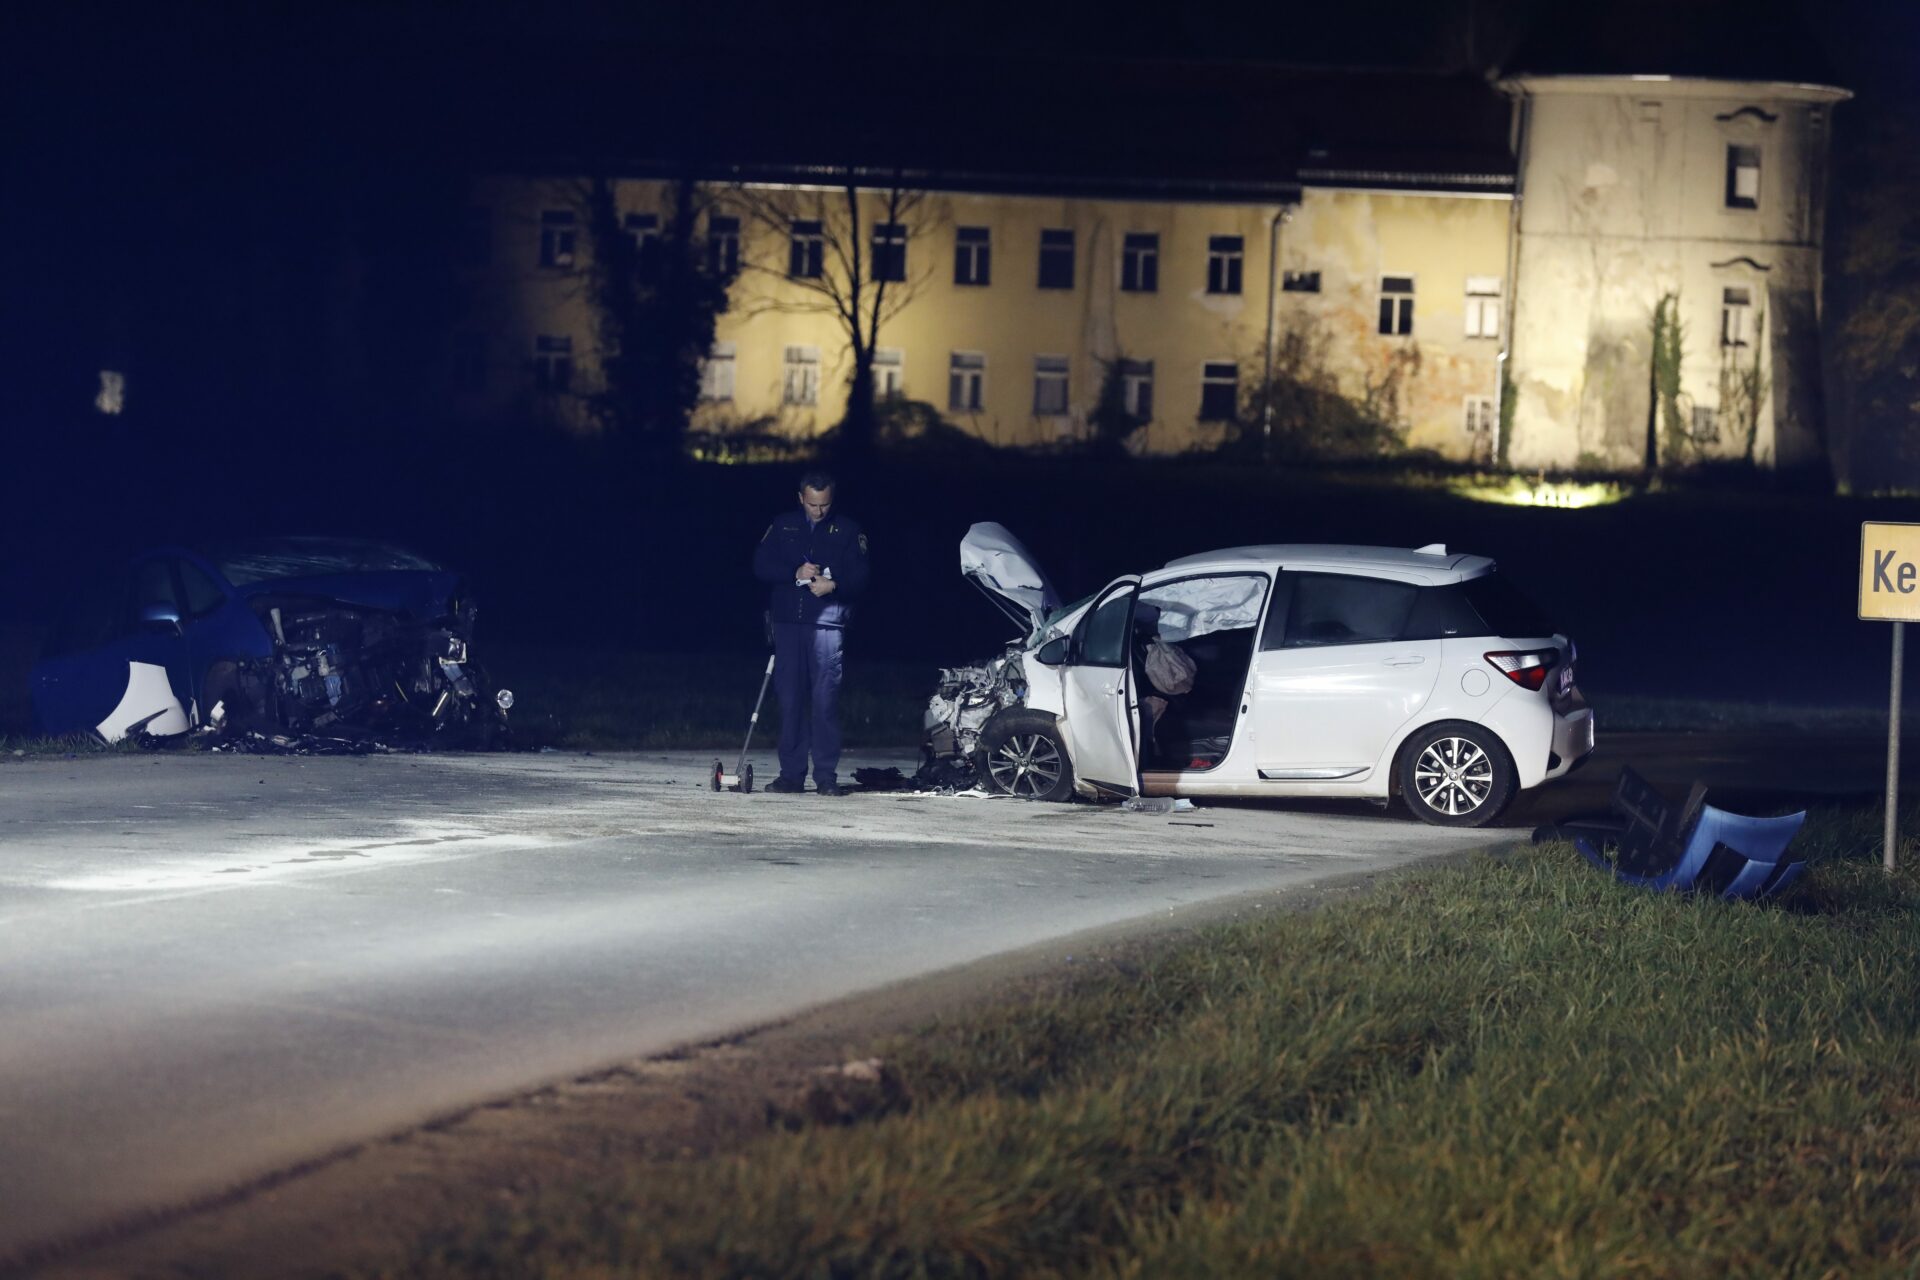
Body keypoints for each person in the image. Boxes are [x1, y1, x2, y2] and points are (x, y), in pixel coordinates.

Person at [751, 469, 870, 795]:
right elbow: (760, 564)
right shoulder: (782, 524)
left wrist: (835, 585)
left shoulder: (848, 529)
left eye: (825, 505)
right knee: (790, 701)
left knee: (824, 701)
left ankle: (826, 777)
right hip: (788, 624)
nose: (819, 511)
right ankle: (791, 775)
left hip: (827, 624)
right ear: (801, 498)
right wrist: (794, 572)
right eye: (813, 504)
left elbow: (862, 575)